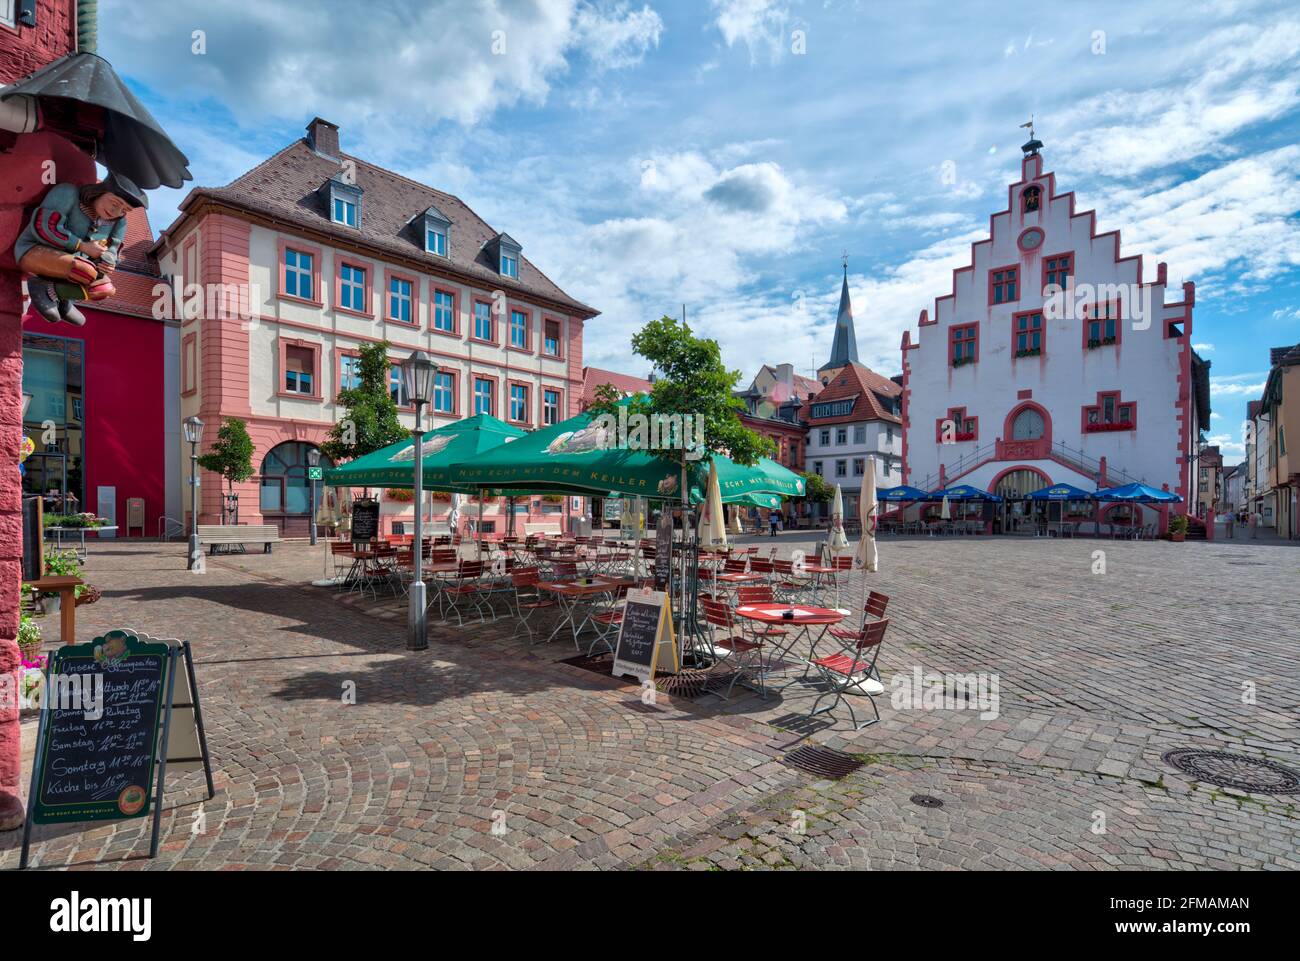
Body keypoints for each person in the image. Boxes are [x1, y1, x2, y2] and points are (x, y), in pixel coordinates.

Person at [14, 172, 148, 326]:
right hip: (34, 251)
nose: (116, 212)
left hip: (75, 266)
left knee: (104, 288)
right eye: (115, 203)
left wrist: (108, 261)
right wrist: (81, 246)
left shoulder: (119, 222)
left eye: (124, 210)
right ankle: (40, 286)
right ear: (101, 191)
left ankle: (61, 296)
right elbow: (45, 227)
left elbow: (114, 248)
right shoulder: (68, 193)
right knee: (84, 269)